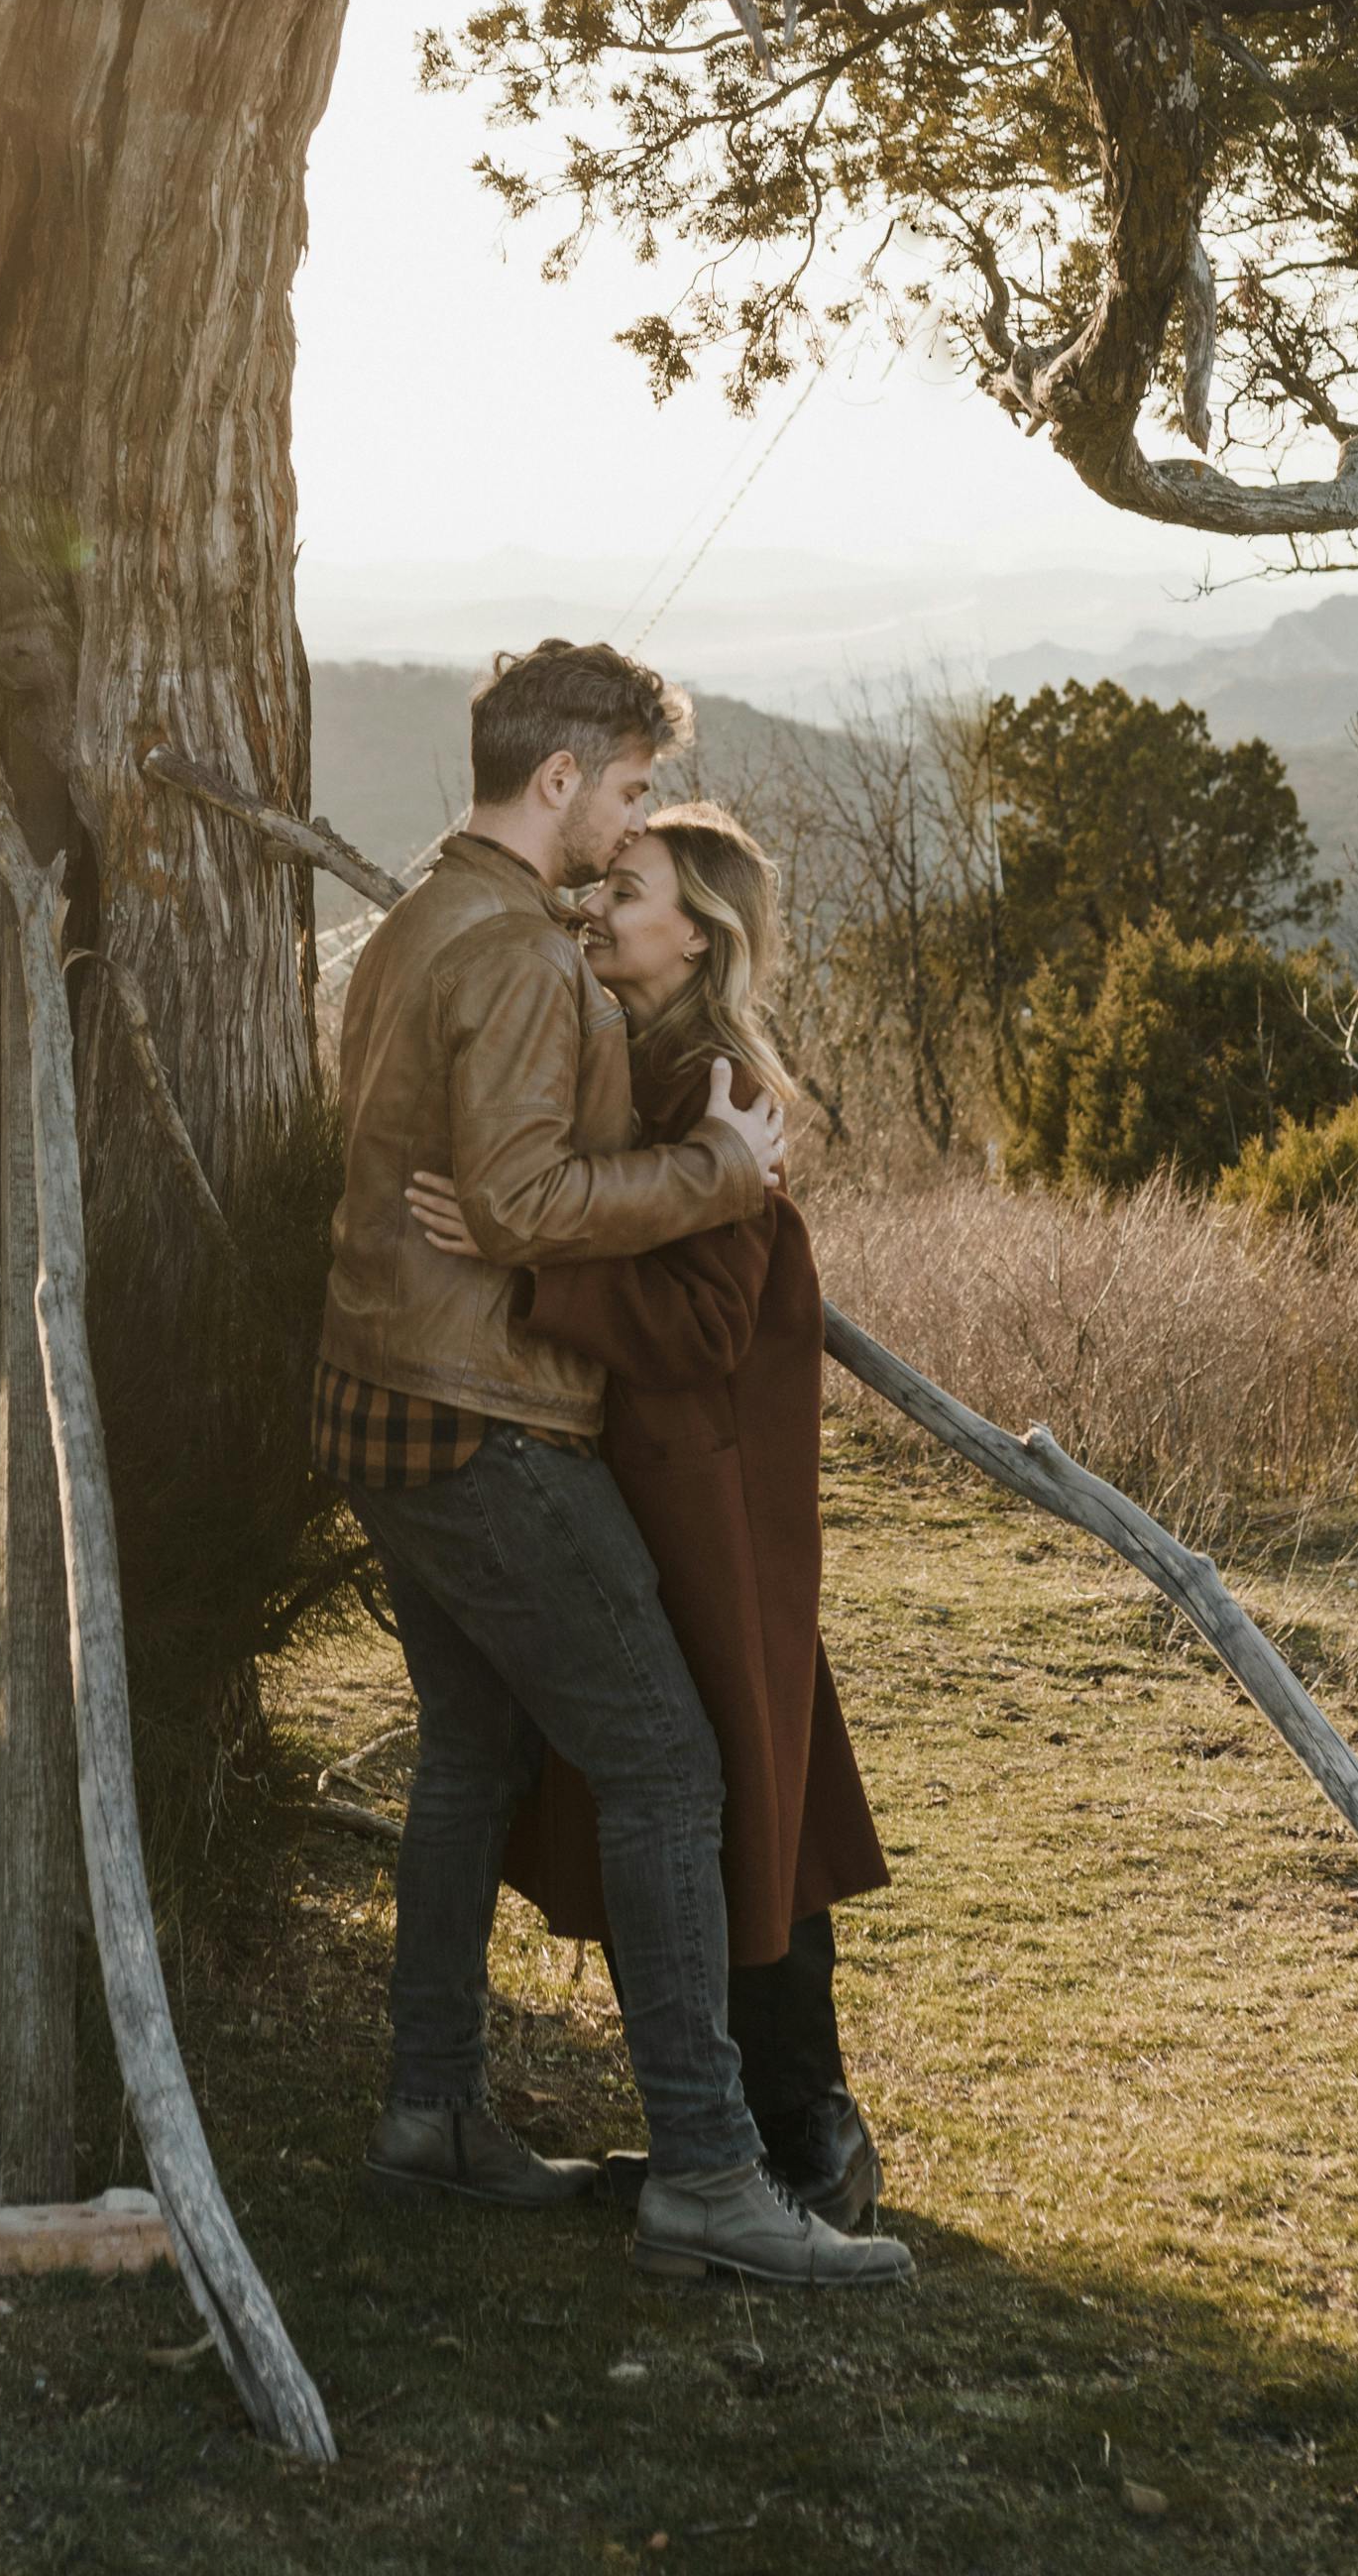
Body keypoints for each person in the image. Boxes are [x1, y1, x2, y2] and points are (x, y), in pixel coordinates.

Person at [315, 638, 912, 2295]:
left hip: (379, 1400)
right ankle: (714, 2176)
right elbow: (513, 1205)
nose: (630, 824)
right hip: (480, 1425)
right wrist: (721, 1174)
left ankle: (432, 2112)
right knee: (666, 1770)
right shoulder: (511, 954)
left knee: (470, 1757)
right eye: (631, 792)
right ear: (561, 779)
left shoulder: (419, 922)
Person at [408, 806, 888, 2233]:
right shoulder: (631, 1056)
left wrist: (521, 1269)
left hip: (707, 1499)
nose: (597, 905)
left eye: (627, 890)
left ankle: (808, 2146)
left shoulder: (717, 1087)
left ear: (702, 934)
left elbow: (699, 1318)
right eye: (605, 880)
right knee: (673, 1799)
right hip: (639, 1484)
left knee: (745, 1798)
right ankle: (724, 2134)